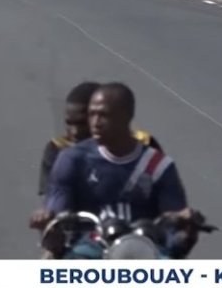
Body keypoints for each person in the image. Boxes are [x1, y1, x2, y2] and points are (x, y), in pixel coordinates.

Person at [30, 83, 203, 259]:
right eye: (92, 115)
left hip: (144, 251)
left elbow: (174, 237)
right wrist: (49, 225)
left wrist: (186, 233)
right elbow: (58, 221)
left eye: (103, 115)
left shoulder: (158, 165)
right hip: (87, 252)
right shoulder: (72, 160)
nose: (95, 123)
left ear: (126, 117)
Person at [36, 81, 162, 196]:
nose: (74, 132)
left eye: (82, 123)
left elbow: (163, 190)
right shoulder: (58, 150)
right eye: (69, 123)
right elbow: (53, 198)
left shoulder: (143, 144)